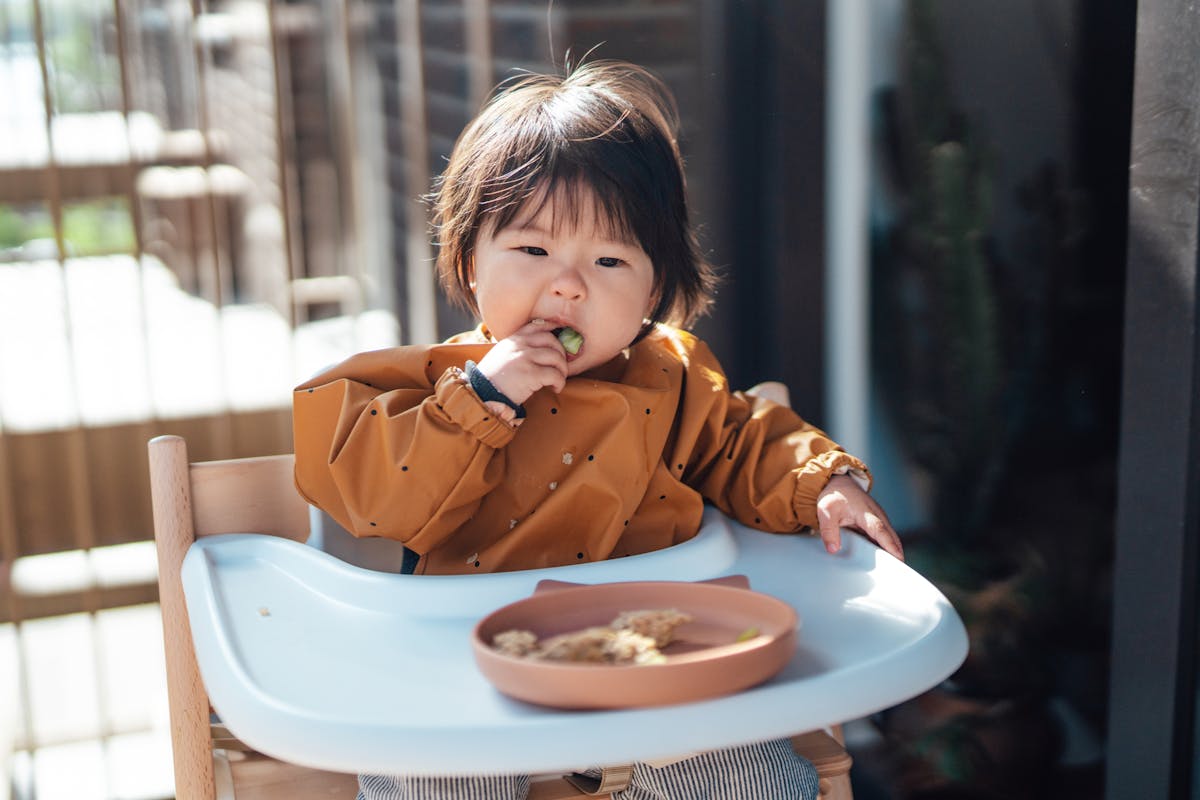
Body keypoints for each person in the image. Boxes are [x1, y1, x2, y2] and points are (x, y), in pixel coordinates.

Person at [293, 59, 902, 800]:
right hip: (469, 657)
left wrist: (824, 481)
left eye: (609, 259)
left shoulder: (675, 378)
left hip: (652, 650)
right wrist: (479, 400)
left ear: (656, 287)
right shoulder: (431, 385)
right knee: (432, 781)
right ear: (468, 261)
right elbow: (375, 491)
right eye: (532, 250)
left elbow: (747, 441)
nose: (568, 284)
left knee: (752, 780)